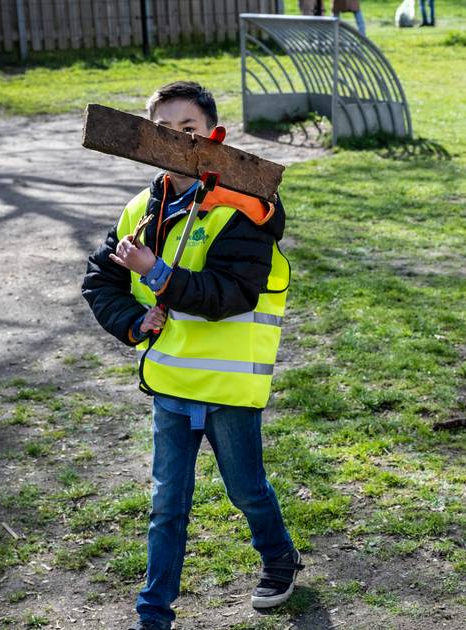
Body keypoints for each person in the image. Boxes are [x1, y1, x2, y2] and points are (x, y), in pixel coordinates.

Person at [81, 81, 301, 630]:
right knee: (167, 508)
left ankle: (280, 558)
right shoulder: (141, 210)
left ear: (213, 135)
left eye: (189, 129)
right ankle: (153, 615)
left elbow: (232, 294)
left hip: (229, 390)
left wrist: (157, 273)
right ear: (145, 137)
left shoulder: (244, 209)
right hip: (170, 386)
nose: (177, 140)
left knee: (247, 492)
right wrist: (133, 321)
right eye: (163, 130)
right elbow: (99, 279)